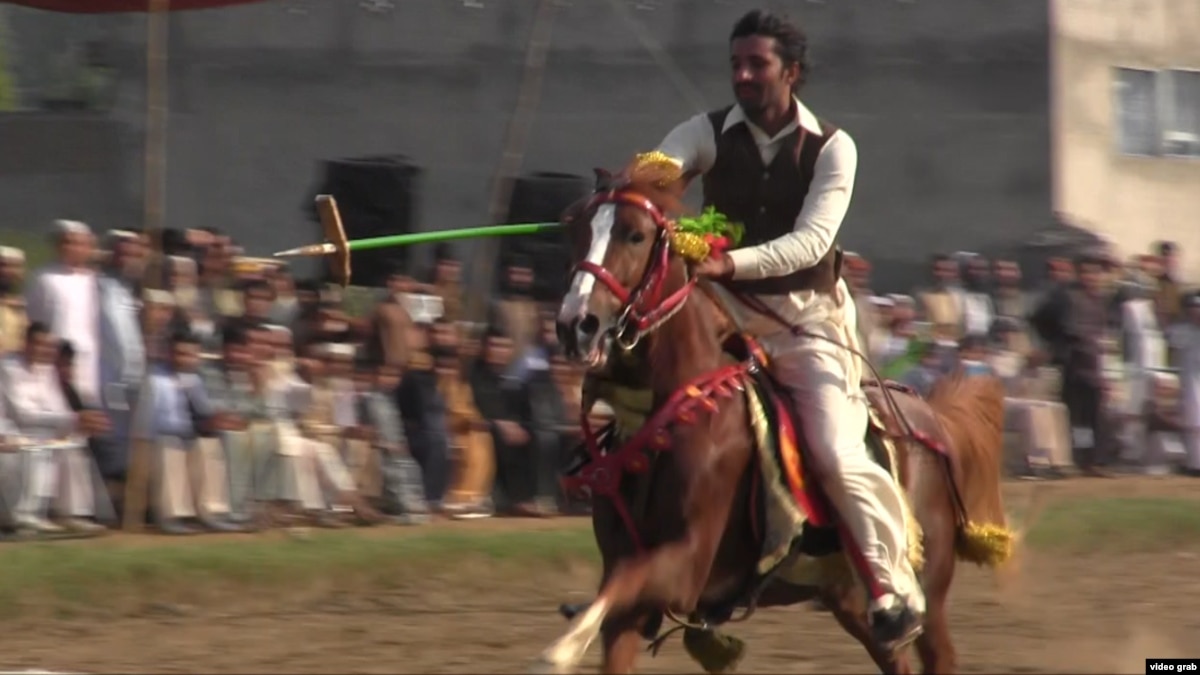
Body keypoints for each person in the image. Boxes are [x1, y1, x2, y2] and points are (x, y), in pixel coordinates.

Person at [655, 9, 922, 650]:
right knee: (648, 415)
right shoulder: (707, 130)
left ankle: (892, 587)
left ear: (791, 73)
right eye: (735, 65)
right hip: (721, 315)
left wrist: (725, 261)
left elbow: (811, 244)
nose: (742, 76)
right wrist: (622, 203)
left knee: (833, 449)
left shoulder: (834, 147)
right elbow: (659, 168)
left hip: (806, 321)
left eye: (757, 65)